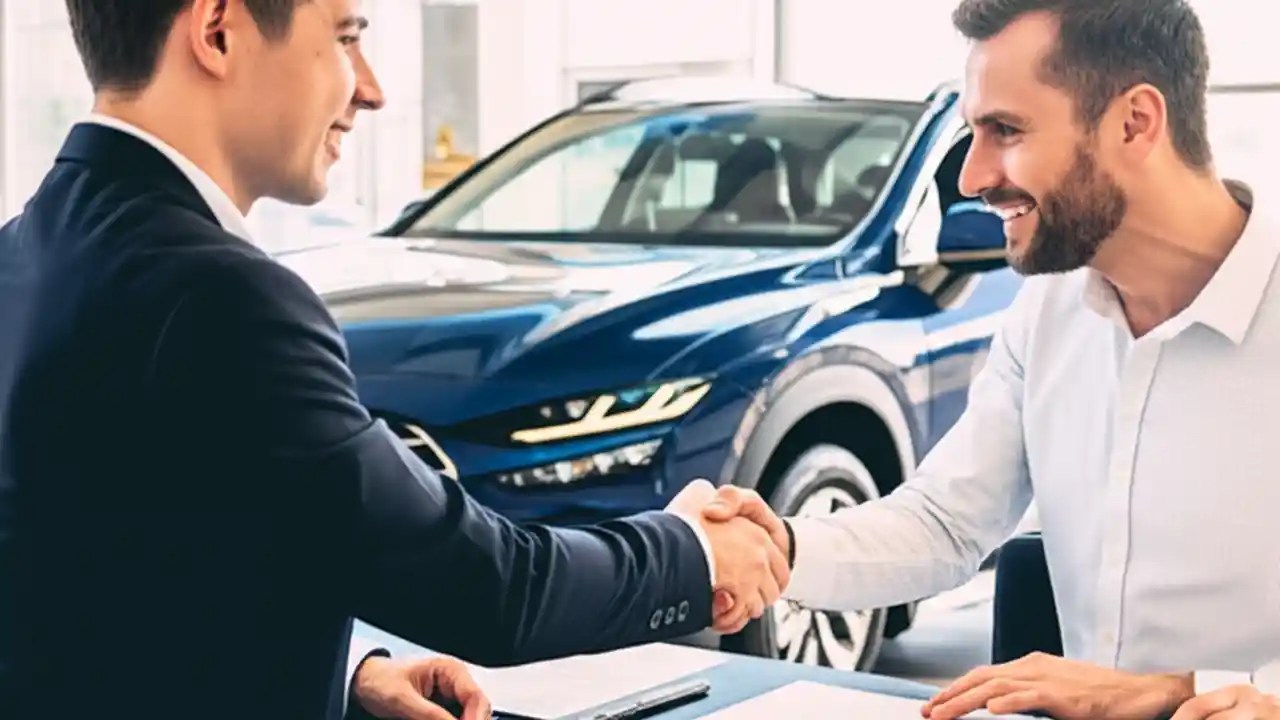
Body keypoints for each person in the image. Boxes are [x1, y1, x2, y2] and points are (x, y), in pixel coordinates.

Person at [0, 1, 790, 719]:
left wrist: (345, 670)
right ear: (217, 31)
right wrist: (691, 551)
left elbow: (99, 568)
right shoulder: (226, 297)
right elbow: (491, 587)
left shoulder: (24, 253)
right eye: (344, 37)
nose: (370, 90)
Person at [700, 1, 1280, 719]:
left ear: (1135, 122)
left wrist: (1179, 690)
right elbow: (948, 522)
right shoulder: (1048, 310)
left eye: (1005, 131)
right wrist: (778, 546)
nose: (972, 177)